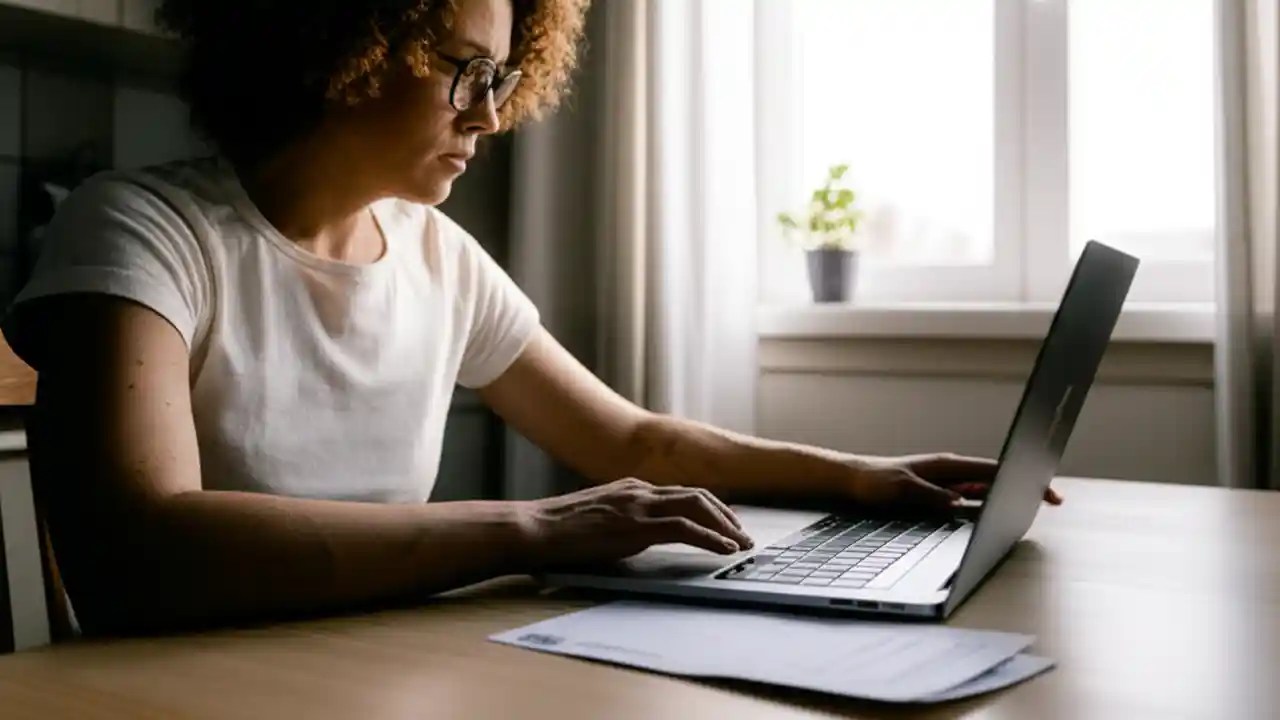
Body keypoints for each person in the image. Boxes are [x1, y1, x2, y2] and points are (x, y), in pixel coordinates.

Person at [1, 0, 1059, 636]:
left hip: (371, 668)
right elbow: (140, 546)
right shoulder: (142, 228)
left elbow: (629, 438)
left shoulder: (438, 258)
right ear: (342, 44)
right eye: (464, 72)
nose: (492, 112)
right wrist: (531, 528)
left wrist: (859, 479)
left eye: (502, 76)